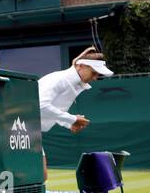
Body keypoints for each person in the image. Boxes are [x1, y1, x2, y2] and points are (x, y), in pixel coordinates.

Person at [37, 47, 112, 179]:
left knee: (41, 176)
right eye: (94, 73)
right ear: (81, 66)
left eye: (98, 75)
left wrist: (69, 123)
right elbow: (41, 105)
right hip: (18, 129)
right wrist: (72, 119)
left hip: (30, 132)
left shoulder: (73, 83)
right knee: (38, 175)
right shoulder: (60, 79)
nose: (95, 78)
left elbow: (53, 110)